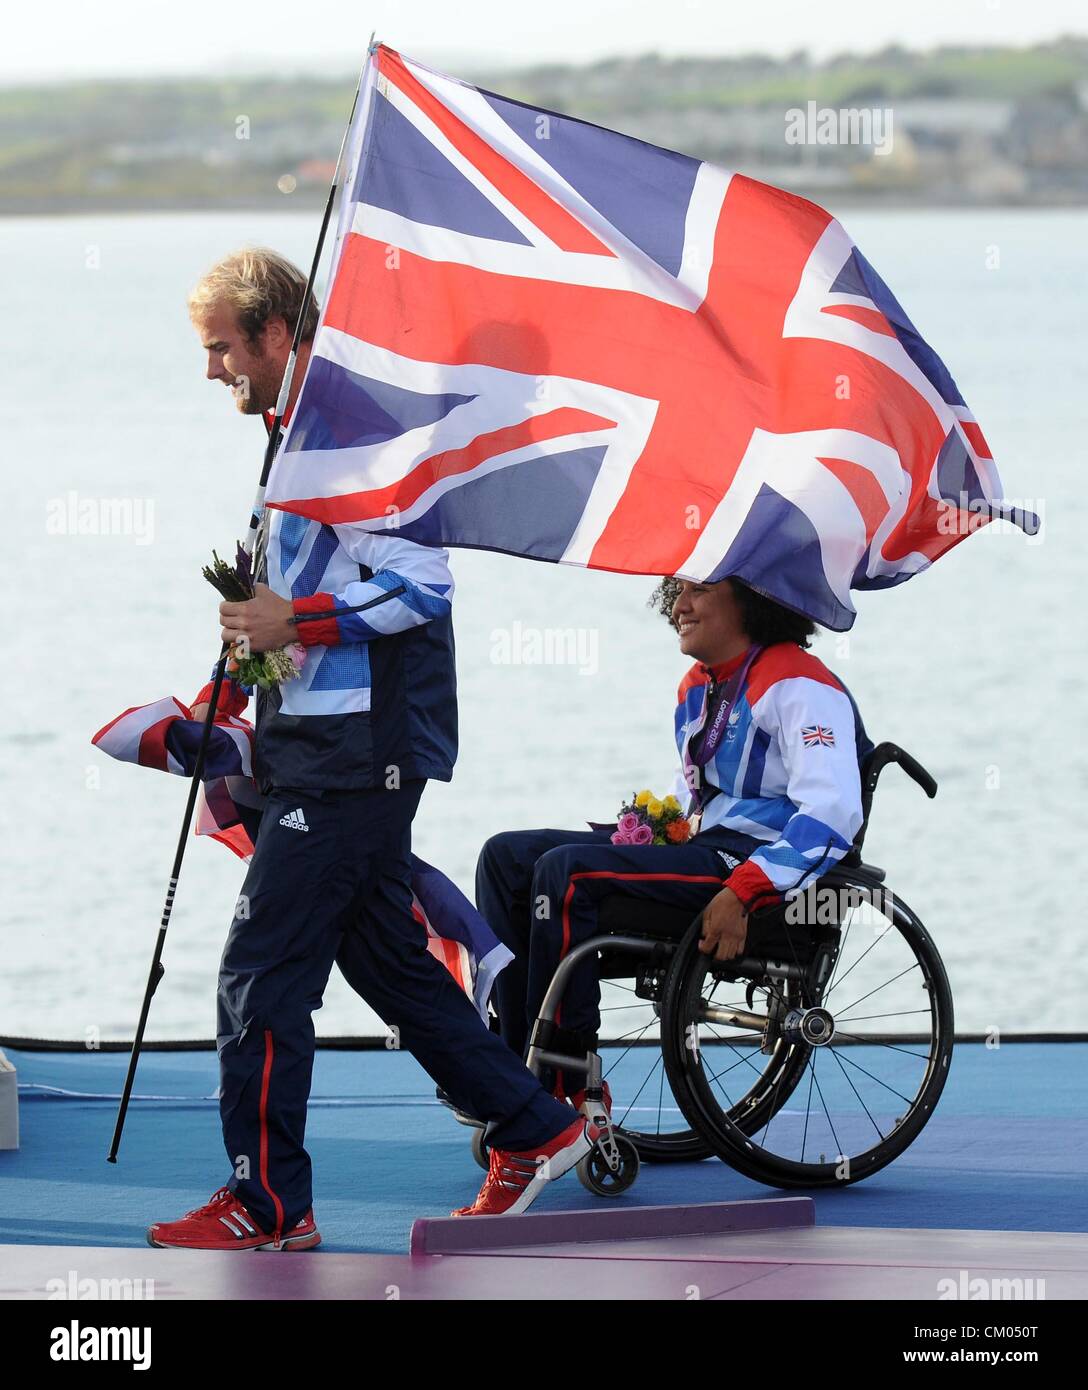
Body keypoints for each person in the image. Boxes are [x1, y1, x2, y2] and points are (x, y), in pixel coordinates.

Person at [147, 248, 596, 1251]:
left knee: (260, 973)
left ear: (276, 335)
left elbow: (422, 589)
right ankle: (534, 1122)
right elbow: (296, 605)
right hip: (312, 750)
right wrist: (242, 670)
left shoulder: (349, 436)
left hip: (359, 760)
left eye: (221, 348)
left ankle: (268, 1204)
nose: (212, 368)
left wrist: (291, 622)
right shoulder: (297, 436)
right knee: (387, 962)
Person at [475, 574, 872, 1084]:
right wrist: (641, 833)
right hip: (704, 845)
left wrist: (746, 890)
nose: (678, 606)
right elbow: (688, 800)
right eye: (676, 591)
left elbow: (831, 813)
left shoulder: (799, 683)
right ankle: (512, 1065)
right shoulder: (696, 686)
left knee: (566, 873)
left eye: (698, 591)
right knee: (505, 857)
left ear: (753, 597)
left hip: (752, 863)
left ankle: (563, 1080)